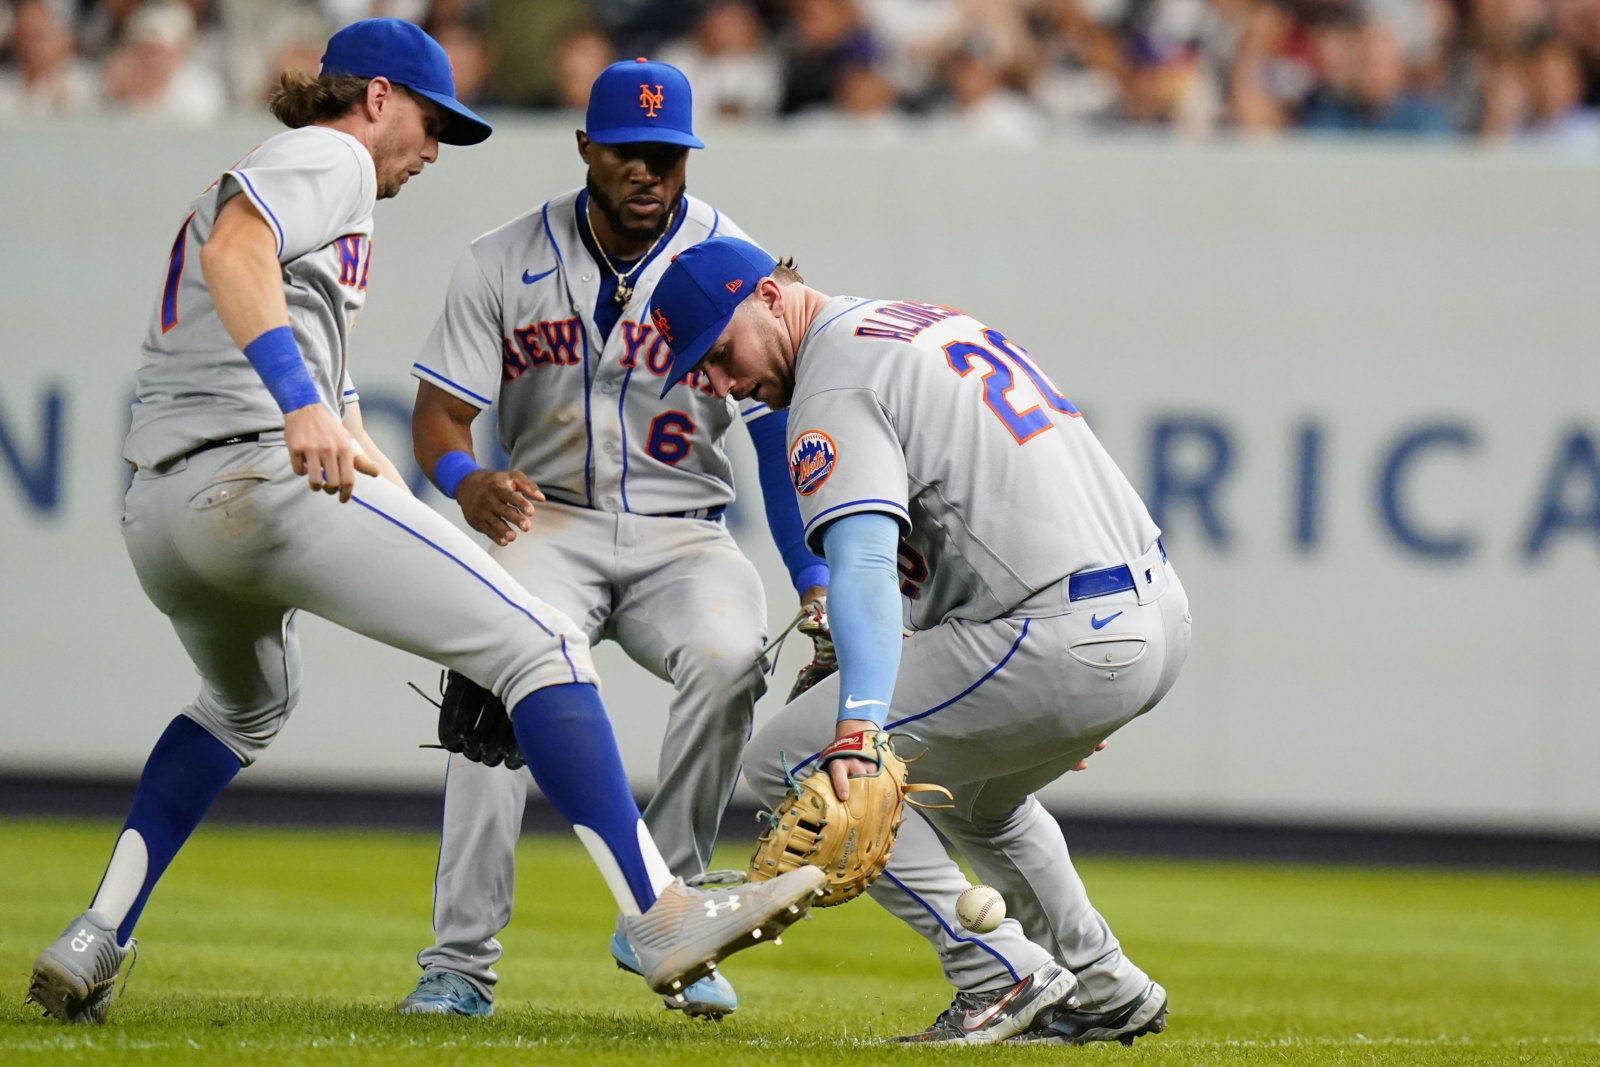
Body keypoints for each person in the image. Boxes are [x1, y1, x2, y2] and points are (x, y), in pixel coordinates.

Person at [23, 23, 823, 1027]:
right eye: (431, 122)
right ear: (375, 99)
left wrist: (339, 412)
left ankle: (96, 933)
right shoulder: (330, 157)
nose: (432, 149)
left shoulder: (302, 188)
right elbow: (240, 253)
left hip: (164, 511)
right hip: (259, 475)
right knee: (539, 642)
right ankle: (655, 910)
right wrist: (300, 403)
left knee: (245, 703)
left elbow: (301, 342)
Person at [650, 237, 1191, 1046]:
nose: (722, 385)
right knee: (979, 801)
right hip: (1149, 615)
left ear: (769, 294)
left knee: (794, 761)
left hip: (1062, 632)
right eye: (703, 372)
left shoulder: (832, 377)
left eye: (721, 353)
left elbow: (864, 560)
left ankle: (998, 969)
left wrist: (860, 725)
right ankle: (1106, 983)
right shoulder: (910, 324)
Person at [395, 57, 829, 1021]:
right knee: (491, 682)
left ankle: (663, 912)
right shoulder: (501, 258)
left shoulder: (731, 261)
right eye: (630, 152)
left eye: (668, 154)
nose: (650, 172)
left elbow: (773, 439)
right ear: (587, 145)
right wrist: (467, 484)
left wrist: (811, 575)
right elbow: (437, 418)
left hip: (684, 532)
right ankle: (459, 960)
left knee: (726, 660)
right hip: (544, 516)